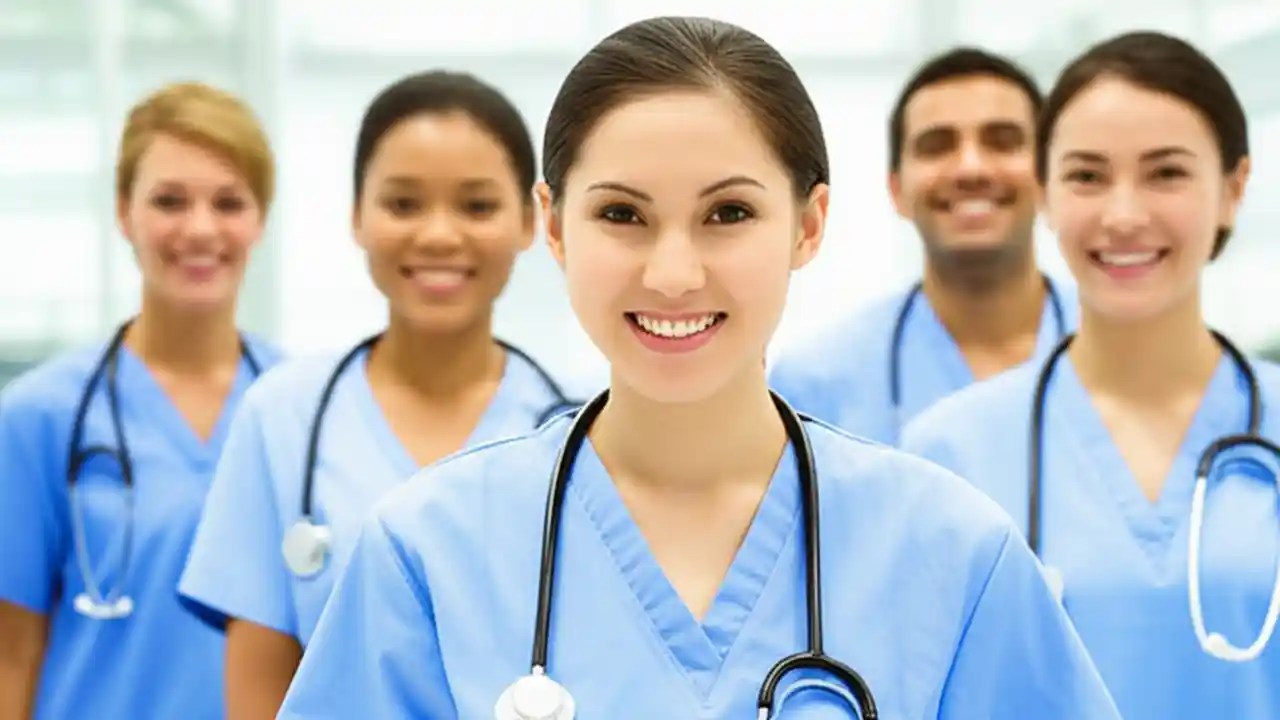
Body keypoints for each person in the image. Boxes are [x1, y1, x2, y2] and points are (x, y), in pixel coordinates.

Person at [275, 17, 1121, 719]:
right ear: (556, 224)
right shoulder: (428, 551)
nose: (673, 272)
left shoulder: (951, 550)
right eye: (621, 214)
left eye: (728, 212)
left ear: (809, 224)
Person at [176, 70, 580, 719]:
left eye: (477, 206)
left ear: (534, 221)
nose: (439, 234)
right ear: (357, 216)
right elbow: (258, 695)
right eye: (403, 203)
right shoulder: (283, 416)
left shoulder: (581, 426)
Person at [901, 31, 1279, 719]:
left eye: (1166, 172)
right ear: (1045, 193)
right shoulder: (945, 453)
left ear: (1233, 189)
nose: (1124, 214)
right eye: (1087, 175)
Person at [0, 81, 281, 719]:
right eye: (169, 201)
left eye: (229, 201)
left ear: (260, 219)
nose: (200, 228)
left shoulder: (302, 412)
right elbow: (9, 657)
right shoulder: (39, 417)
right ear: (124, 212)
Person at [768, 48, 1078, 445]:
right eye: (937, 145)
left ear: (1048, 176)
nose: (971, 168)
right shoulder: (815, 382)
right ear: (896, 190)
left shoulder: (1125, 352)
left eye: (1002, 141)